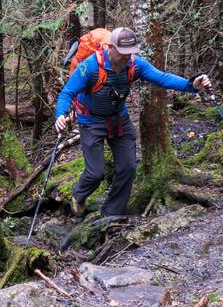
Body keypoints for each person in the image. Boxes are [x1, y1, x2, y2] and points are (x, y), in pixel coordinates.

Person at [54, 27, 211, 217]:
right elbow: (67, 92)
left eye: (131, 53)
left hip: (118, 120)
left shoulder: (135, 65)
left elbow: (162, 78)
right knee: (96, 172)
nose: (128, 57)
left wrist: (190, 85)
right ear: (111, 47)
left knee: (128, 167)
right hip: (91, 121)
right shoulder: (90, 66)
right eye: (123, 53)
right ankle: (79, 195)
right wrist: (61, 115)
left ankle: (112, 214)